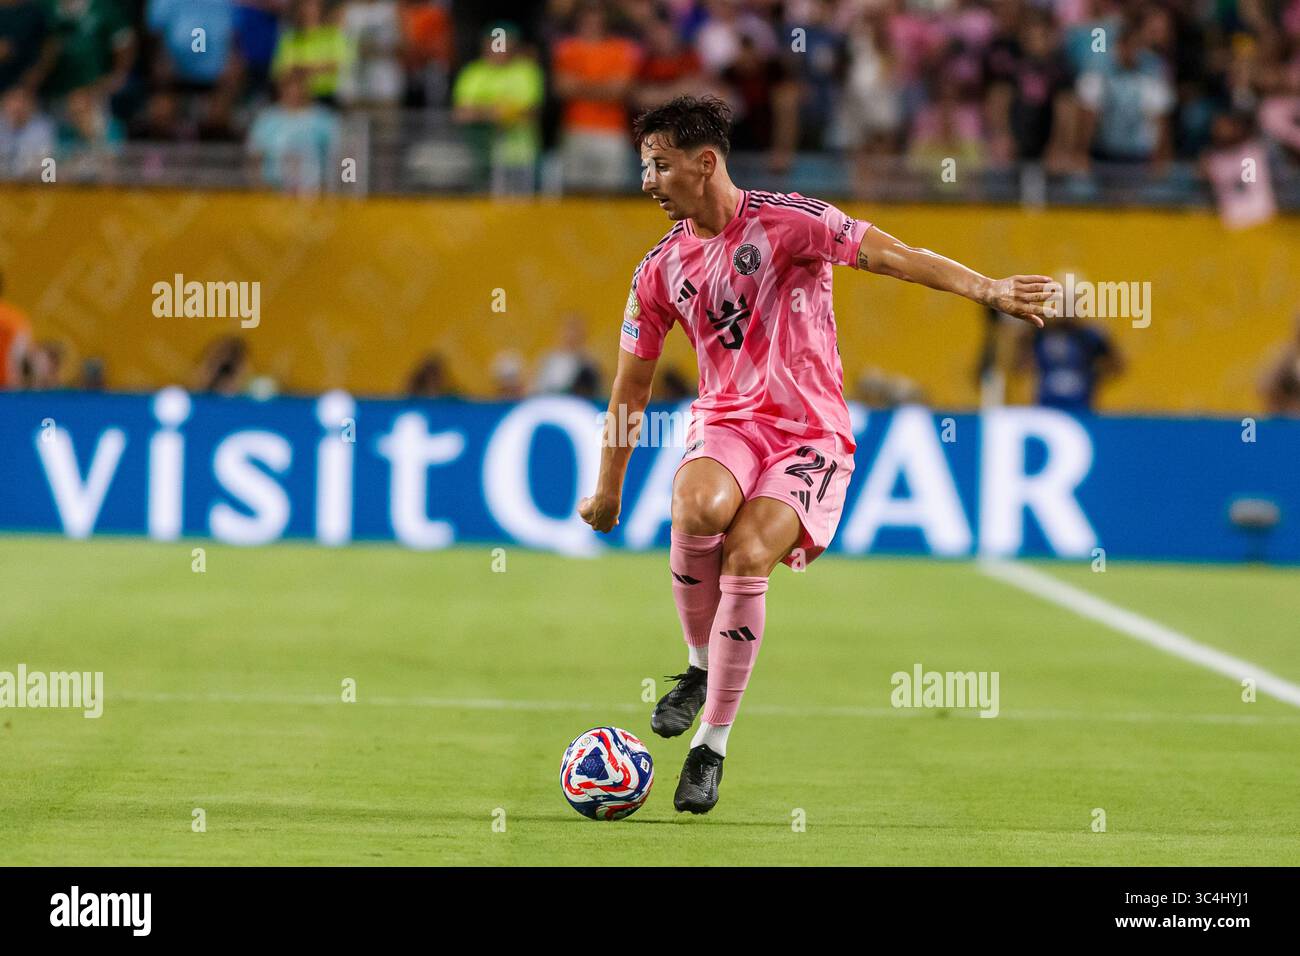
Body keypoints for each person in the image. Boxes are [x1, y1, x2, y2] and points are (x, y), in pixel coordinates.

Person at [577, 96, 1052, 815]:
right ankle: (698, 667)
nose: (647, 179)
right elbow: (630, 387)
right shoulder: (658, 270)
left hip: (809, 434)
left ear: (705, 163)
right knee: (695, 505)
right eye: (647, 164)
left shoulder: (791, 221)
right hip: (728, 422)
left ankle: (711, 746)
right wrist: (608, 486)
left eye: (659, 164)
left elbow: (896, 256)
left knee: (747, 556)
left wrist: (987, 289)